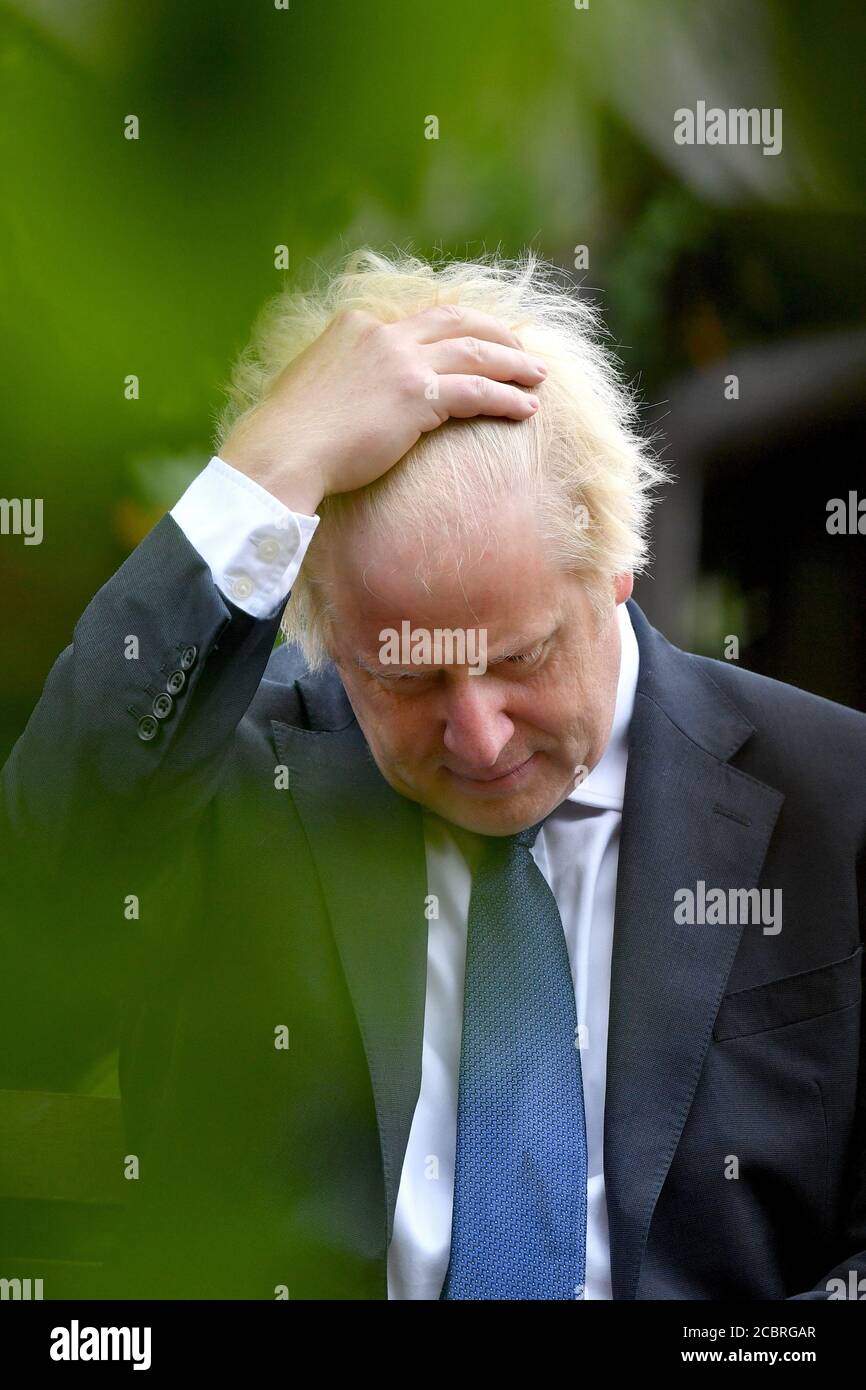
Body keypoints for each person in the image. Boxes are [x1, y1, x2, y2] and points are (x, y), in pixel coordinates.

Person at [2, 249, 864, 1300]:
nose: (478, 736)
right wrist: (265, 469)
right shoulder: (238, 783)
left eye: (520, 658)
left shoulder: (834, 798)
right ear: (318, 625)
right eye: (401, 676)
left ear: (613, 567)